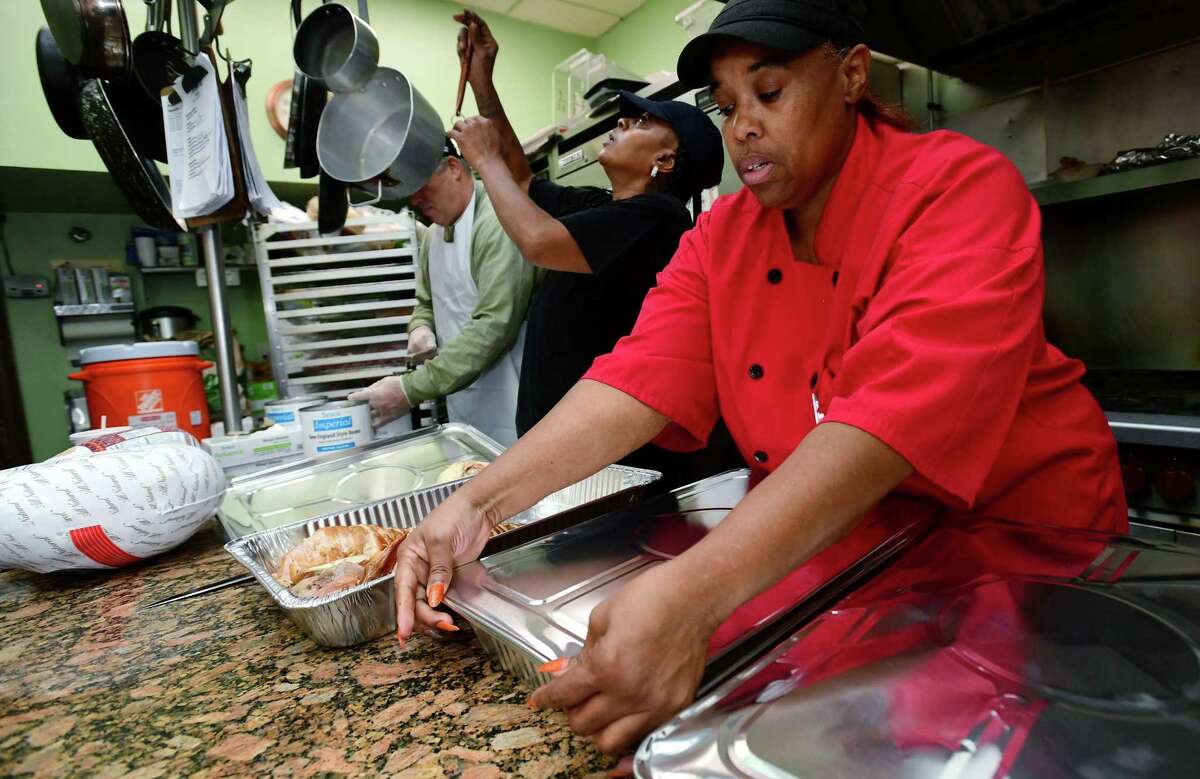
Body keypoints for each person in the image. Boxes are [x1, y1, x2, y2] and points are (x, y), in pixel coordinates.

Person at [392, 0, 1126, 758]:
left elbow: (882, 427)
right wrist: (476, 504)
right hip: (861, 536)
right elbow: (635, 378)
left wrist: (696, 595)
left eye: (769, 93)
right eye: (727, 104)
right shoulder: (722, 237)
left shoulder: (957, 188)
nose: (743, 125)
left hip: (1023, 542)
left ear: (851, 76)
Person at [447, 9, 743, 487]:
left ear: (666, 159)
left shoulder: (659, 219)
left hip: (610, 464)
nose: (623, 120)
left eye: (642, 121)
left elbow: (537, 241)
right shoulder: (603, 205)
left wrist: (483, 158)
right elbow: (521, 180)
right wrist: (484, 80)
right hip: (569, 455)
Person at [349, 147, 537, 446]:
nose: (414, 199)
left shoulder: (498, 222)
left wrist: (409, 390)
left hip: (517, 401)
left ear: (454, 168)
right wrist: (420, 327)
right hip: (464, 401)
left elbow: (494, 325)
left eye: (421, 186)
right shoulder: (432, 235)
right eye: (408, 191)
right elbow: (426, 301)